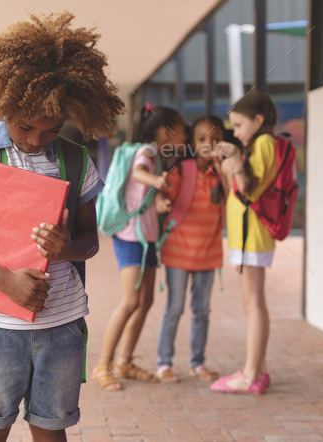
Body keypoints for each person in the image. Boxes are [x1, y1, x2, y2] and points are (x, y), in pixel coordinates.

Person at [0, 11, 124, 442]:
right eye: (26, 126)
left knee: (51, 432)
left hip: (63, 325)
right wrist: (6, 282)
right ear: (3, 105)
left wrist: (66, 248)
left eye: (51, 128)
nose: (37, 138)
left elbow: (91, 242)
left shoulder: (74, 159)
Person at [92, 105, 188, 391]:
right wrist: (156, 180)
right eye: (182, 130)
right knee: (131, 301)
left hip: (146, 236)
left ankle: (125, 361)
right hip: (131, 237)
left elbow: (146, 198)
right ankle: (103, 365)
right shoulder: (146, 152)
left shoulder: (157, 157)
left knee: (145, 302)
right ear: (166, 132)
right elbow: (140, 174)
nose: (185, 135)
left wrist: (160, 201)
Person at [210, 92, 278, 394]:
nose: (235, 132)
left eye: (238, 125)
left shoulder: (264, 144)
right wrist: (230, 161)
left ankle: (250, 375)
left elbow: (248, 189)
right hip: (246, 235)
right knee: (254, 302)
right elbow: (235, 187)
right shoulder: (255, 146)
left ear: (258, 121)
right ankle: (258, 370)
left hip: (252, 235)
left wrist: (234, 158)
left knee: (253, 303)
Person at [154, 115, 226, 383]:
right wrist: (161, 202)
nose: (209, 143)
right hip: (178, 252)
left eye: (216, 139)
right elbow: (162, 192)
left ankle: (198, 362)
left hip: (210, 252)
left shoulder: (221, 172)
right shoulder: (182, 169)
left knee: (202, 310)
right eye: (202, 138)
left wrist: (226, 166)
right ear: (193, 142)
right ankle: (164, 363)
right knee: (174, 308)